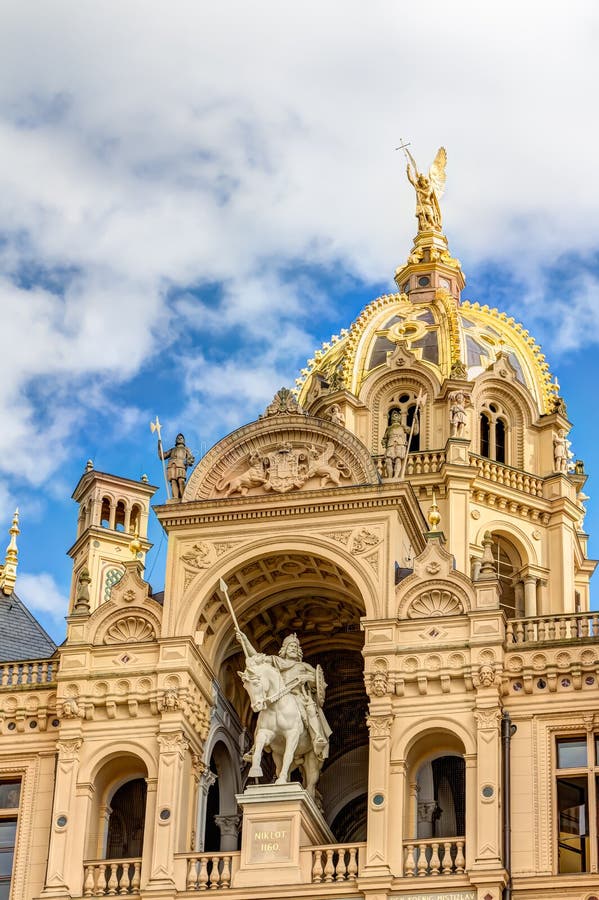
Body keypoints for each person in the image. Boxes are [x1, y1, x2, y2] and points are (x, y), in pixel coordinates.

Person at [235, 630, 331, 761]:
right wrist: (245, 641)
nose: (293, 649)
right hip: (278, 696)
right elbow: (257, 657)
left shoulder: (304, 666)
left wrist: (308, 677)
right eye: (290, 646)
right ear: (284, 649)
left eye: (295, 647)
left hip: (298, 696)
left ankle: (317, 737)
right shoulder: (277, 661)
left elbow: (320, 682)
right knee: (263, 716)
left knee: (310, 708)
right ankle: (255, 748)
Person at [159, 433, 195, 500]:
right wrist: (159, 445)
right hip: (171, 465)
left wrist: (188, 462)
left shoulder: (185, 449)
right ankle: (175, 497)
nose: (179, 439)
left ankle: (184, 497)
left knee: (181, 480)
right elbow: (162, 456)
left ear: (183, 440)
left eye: (181, 438)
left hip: (181, 465)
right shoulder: (172, 449)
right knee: (173, 481)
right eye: (178, 438)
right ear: (176, 440)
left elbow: (190, 458)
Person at [382, 410, 408, 478]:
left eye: (396, 415)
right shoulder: (389, 428)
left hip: (400, 444)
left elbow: (414, 431)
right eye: (393, 415)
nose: (394, 416)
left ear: (399, 417)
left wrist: (416, 420)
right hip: (390, 444)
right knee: (388, 460)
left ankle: (396, 476)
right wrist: (384, 442)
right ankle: (390, 477)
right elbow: (385, 438)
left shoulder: (402, 427)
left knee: (398, 459)